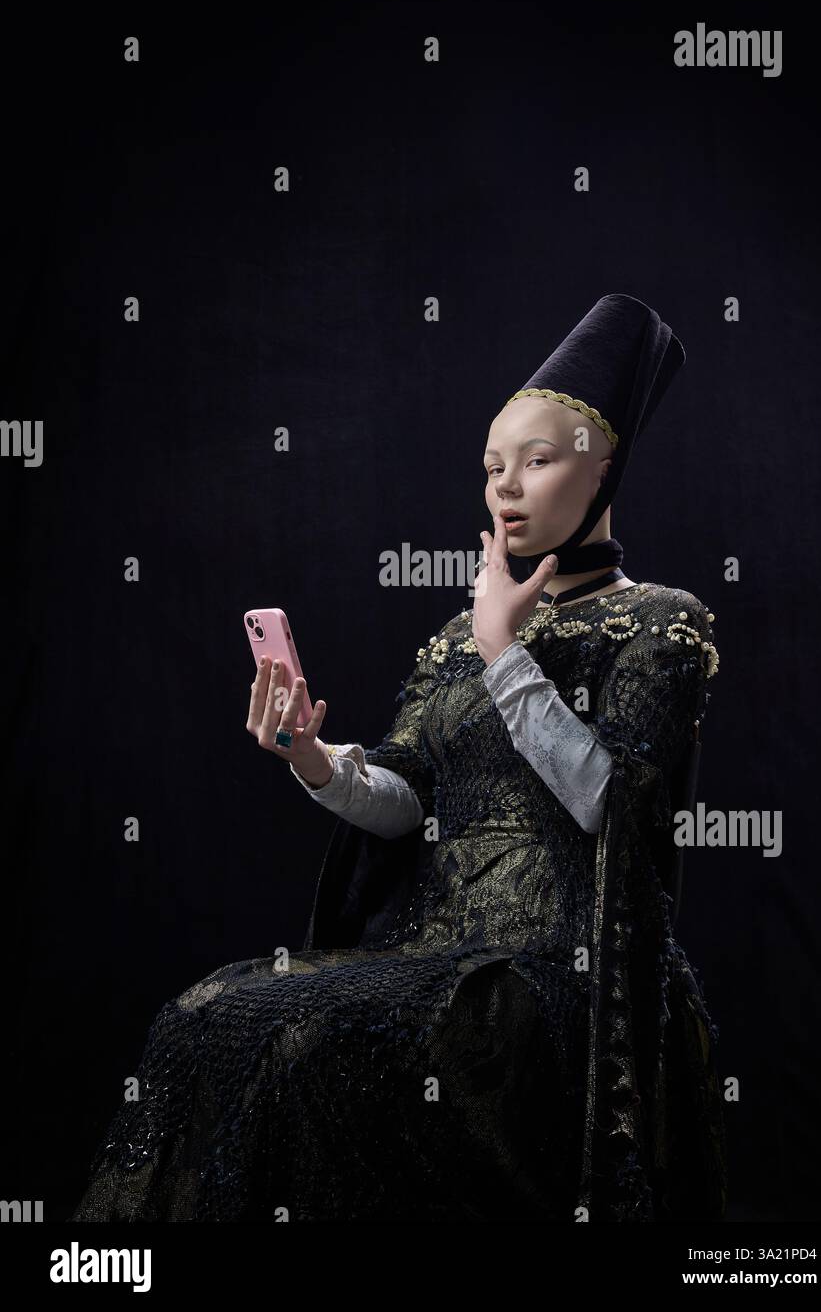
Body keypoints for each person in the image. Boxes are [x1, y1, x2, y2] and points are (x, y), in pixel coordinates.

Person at [70, 294, 727, 1223]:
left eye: (536, 462)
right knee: (204, 1018)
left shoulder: (664, 623)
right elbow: (405, 799)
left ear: (604, 465)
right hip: (439, 952)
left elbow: (609, 802)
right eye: (492, 466)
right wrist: (310, 756)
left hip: (554, 969)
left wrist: (506, 652)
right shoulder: (456, 636)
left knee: (307, 1045)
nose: (505, 487)